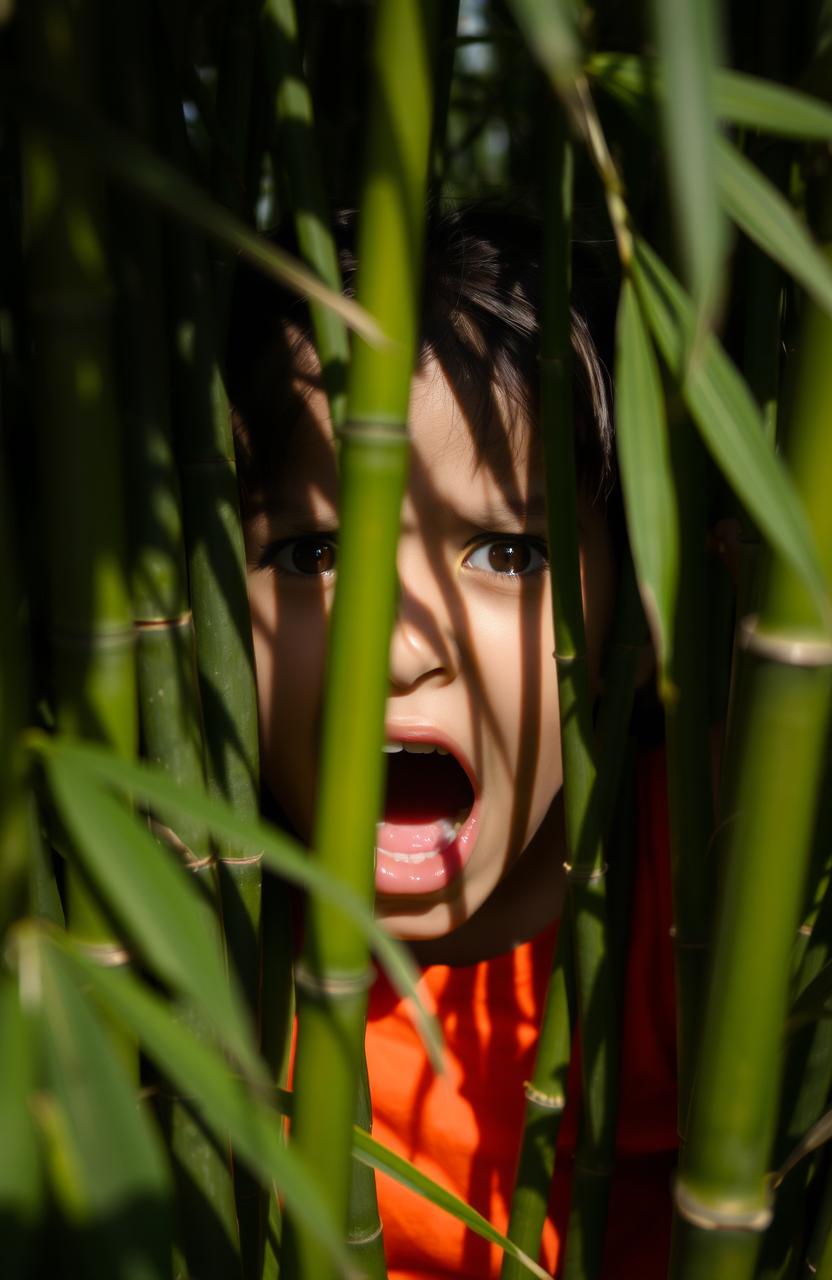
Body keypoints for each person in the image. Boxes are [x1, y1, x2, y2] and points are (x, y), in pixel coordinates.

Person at [227, 207, 678, 1278]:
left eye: (509, 555)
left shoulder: (717, 886)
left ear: (643, 609)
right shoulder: (182, 923)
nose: (392, 650)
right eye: (311, 550)